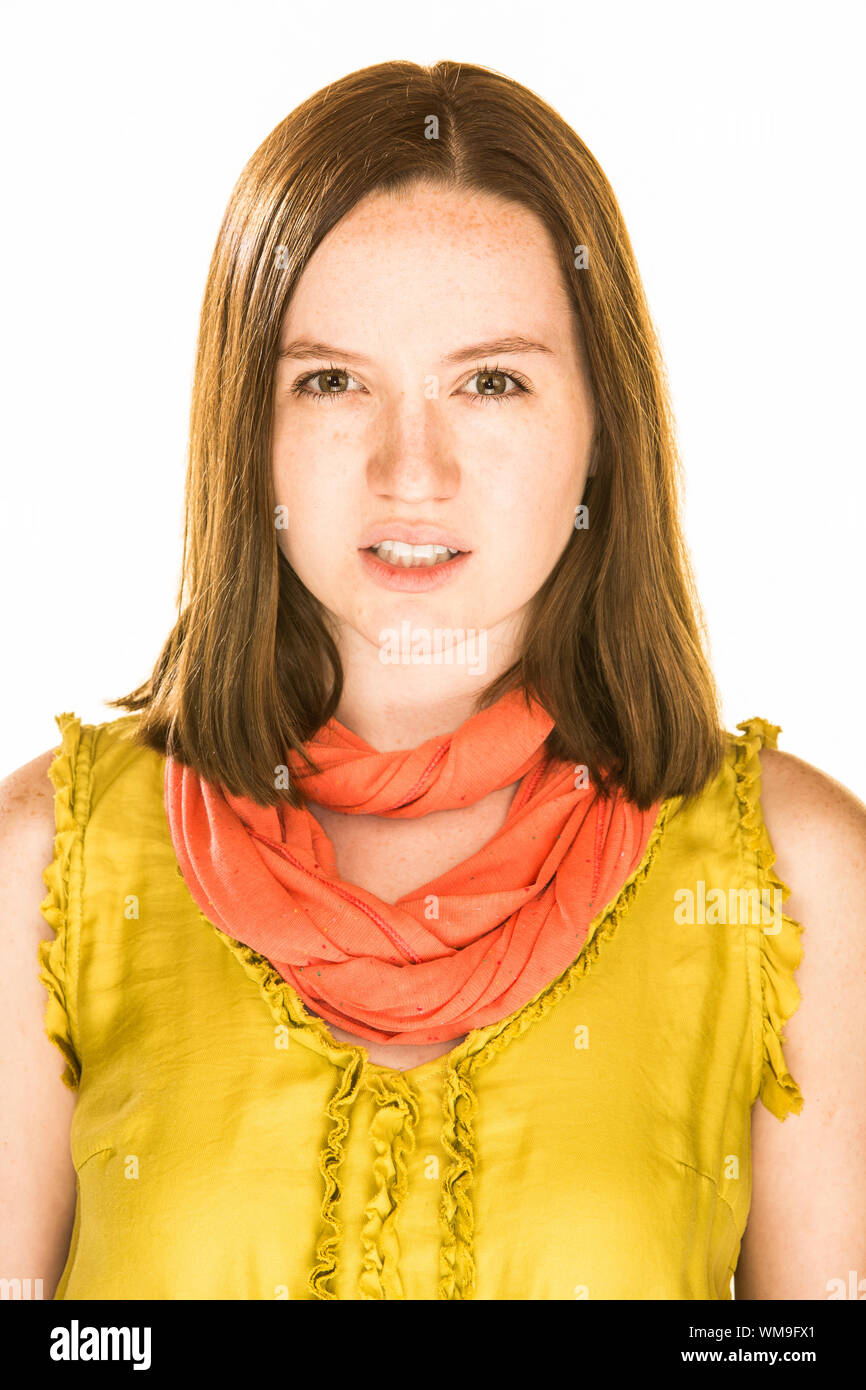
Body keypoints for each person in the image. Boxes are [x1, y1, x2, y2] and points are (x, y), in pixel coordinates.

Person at [2, 59, 864, 1302]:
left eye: (491, 381)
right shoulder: (45, 868)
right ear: (247, 426)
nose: (413, 469)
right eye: (333, 380)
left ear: (598, 428)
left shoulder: (793, 878)